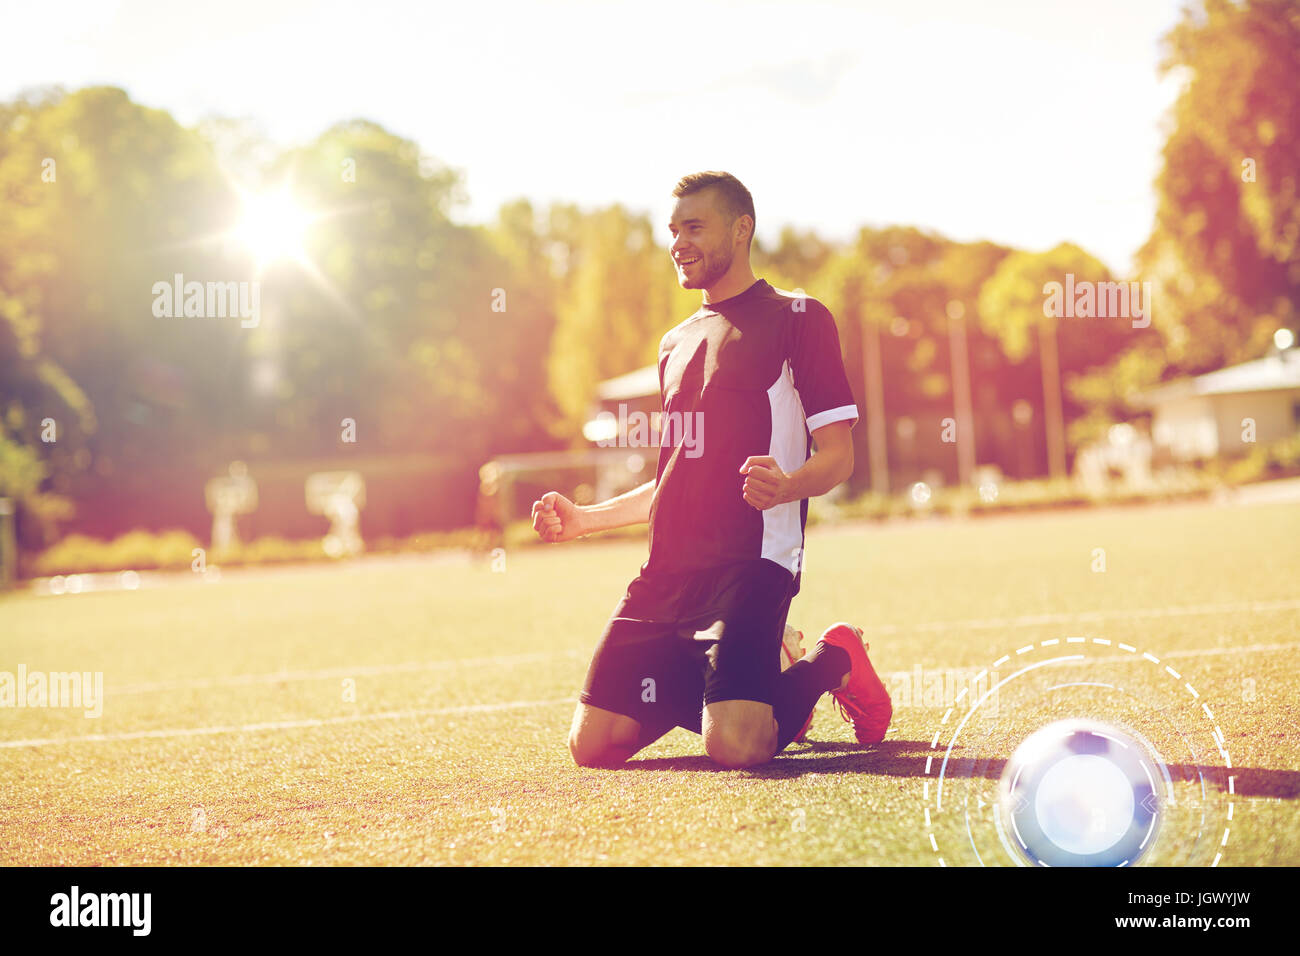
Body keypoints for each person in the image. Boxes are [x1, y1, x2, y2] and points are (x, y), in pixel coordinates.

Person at [532, 171, 891, 769]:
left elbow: (839, 455)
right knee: (592, 746)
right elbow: (673, 478)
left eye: (694, 227)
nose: (678, 243)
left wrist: (788, 485)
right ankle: (745, 684)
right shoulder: (674, 343)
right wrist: (583, 521)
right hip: (667, 572)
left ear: (742, 229)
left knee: (736, 745)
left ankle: (834, 659)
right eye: (673, 231)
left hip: (751, 567)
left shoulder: (799, 318)